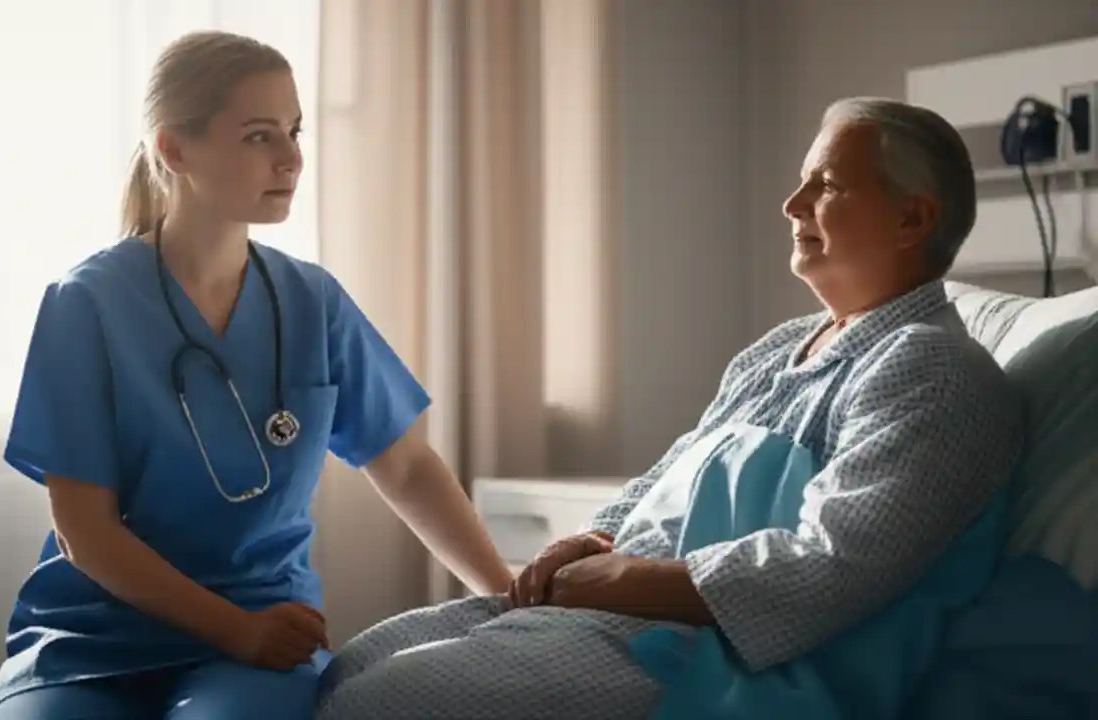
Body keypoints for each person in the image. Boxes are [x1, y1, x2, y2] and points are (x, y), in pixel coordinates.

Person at [316, 98, 1025, 720]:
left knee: (383, 702)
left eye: (828, 183)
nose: (793, 203)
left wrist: (622, 579)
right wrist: (589, 542)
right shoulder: (779, 350)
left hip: (722, 665)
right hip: (620, 618)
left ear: (911, 218)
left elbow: (827, 570)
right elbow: (663, 479)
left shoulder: (933, 370)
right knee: (347, 669)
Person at [0, 31, 512, 720]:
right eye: (260, 136)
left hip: (262, 638)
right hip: (94, 636)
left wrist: (505, 596)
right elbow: (87, 532)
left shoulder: (313, 303)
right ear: (174, 149)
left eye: (294, 131)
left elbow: (404, 466)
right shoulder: (88, 305)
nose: (292, 158)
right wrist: (237, 630)